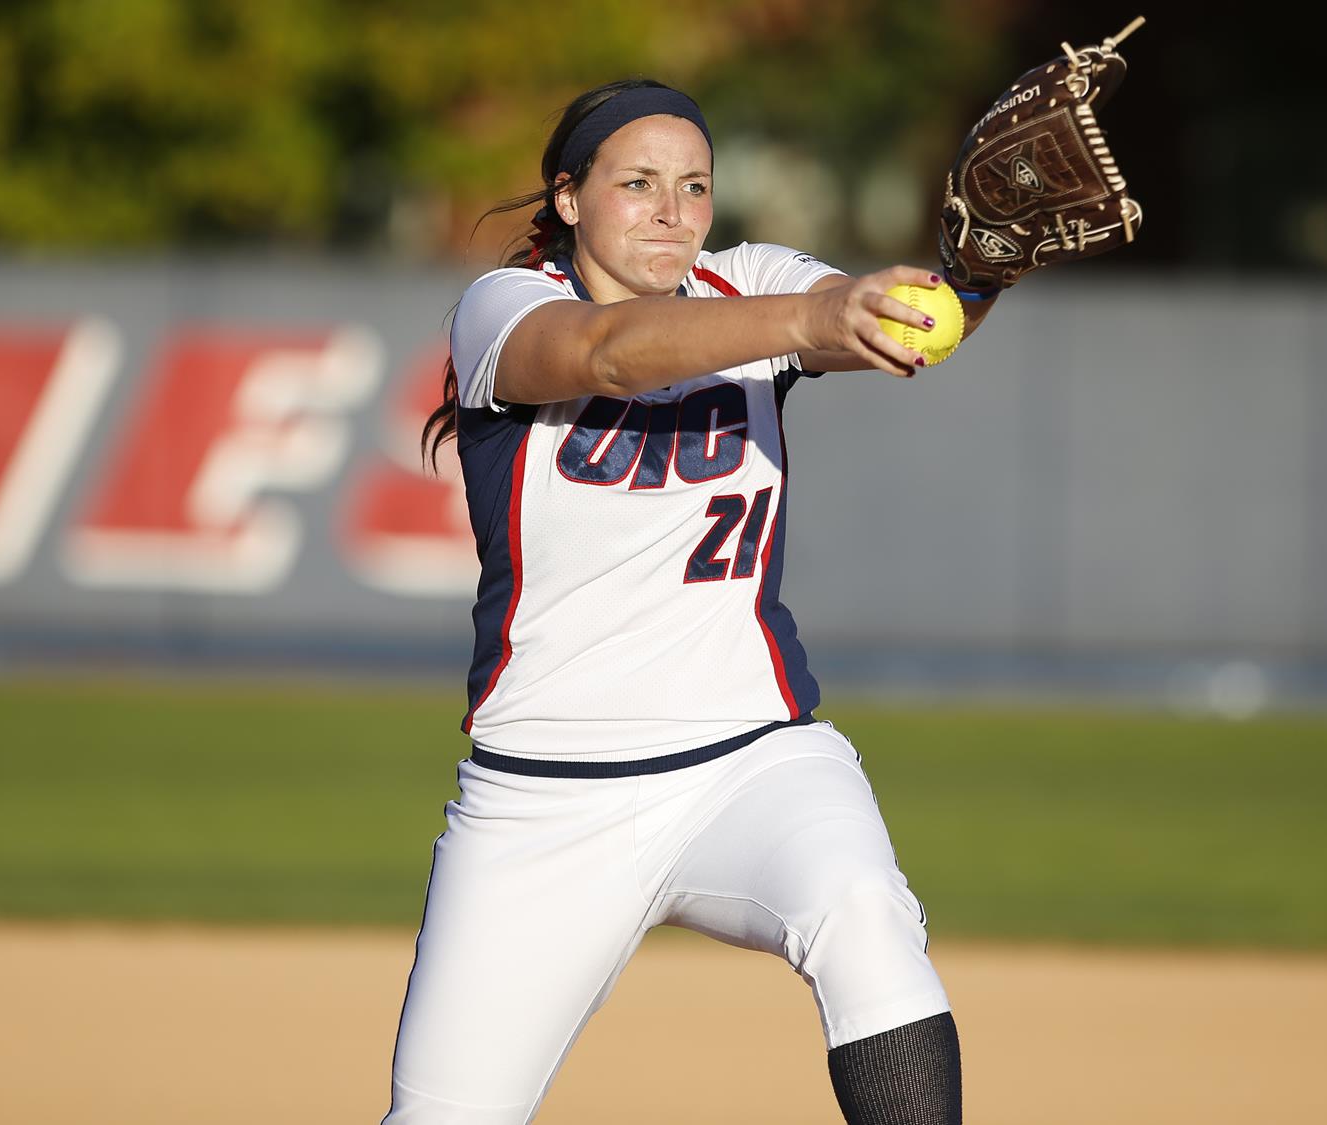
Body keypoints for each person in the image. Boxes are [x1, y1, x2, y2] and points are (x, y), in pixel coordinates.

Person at [386, 78, 998, 1125]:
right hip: (541, 802)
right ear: (569, 198)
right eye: (636, 184)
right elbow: (607, 353)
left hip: (751, 760)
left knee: (860, 912)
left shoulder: (748, 281)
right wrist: (811, 316)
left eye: (694, 186)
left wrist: (987, 269)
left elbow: (898, 323)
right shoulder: (503, 308)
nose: (671, 211)